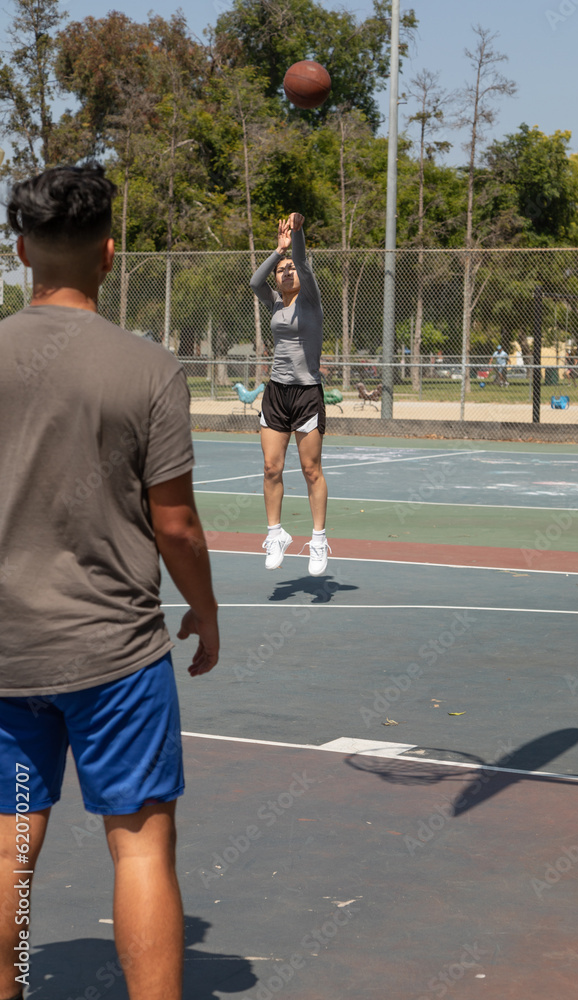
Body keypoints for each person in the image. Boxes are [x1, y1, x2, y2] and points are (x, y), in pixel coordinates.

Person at [0, 164, 219, 1000]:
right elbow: (177, 526)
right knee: (139, 846)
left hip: (7, 656)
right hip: (113, 658)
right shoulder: (148, 369)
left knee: (8, 847)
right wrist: (203, 611)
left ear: (22, 251)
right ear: (109, 255)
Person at [250, 213, 330, 576]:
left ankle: (318, 540)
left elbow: (301, 262)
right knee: (271, 467)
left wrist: (297, 234)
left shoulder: (310, 299)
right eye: (281, 269)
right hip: (276, 393)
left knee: (310, 470)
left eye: (289, 268)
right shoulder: (276, 304)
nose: (285, 272)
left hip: (307, 393)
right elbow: (255, 281)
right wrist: (276, 250)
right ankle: (275, 534)